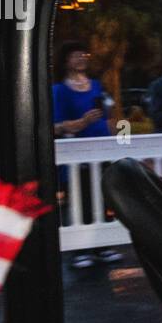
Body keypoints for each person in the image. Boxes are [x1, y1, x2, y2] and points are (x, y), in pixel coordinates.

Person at [51, 41, 122, 269]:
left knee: (101, 197)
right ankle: (80, 249)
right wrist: (83, 122)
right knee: (80, 199)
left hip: (101, 149)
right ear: (65, 61)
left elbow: (108, 115)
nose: (81, 58)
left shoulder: (96, 85)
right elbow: (56, 126)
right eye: (76, 55)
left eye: (84, 54)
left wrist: (115, 137)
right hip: (77, 153)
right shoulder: (59, 90)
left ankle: (102, 246)